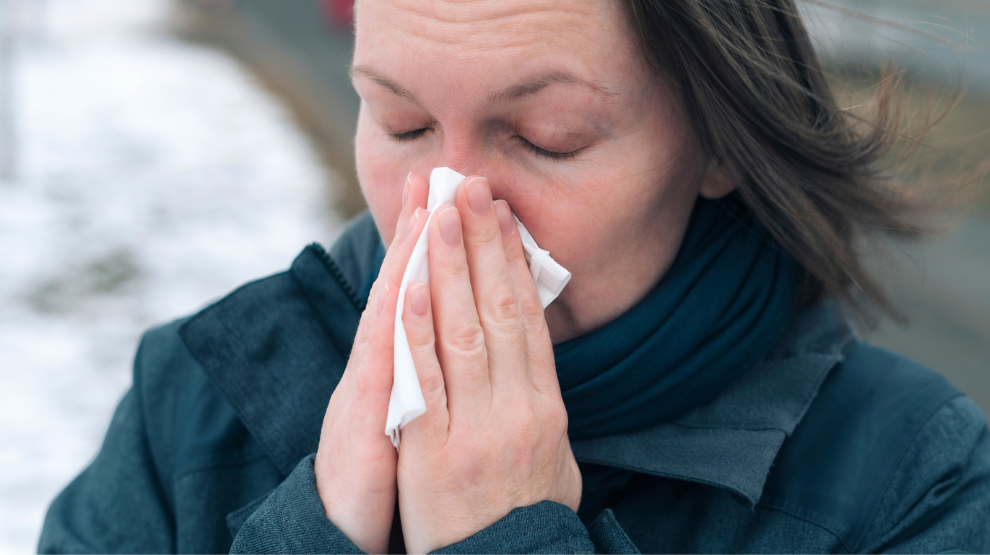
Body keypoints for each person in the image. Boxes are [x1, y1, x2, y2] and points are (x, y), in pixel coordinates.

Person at [40, 0, 990, 553]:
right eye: (402, 123)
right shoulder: (192, 405)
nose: (446, 203)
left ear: (718, 140)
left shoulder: (915, 483)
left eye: (548, 138)